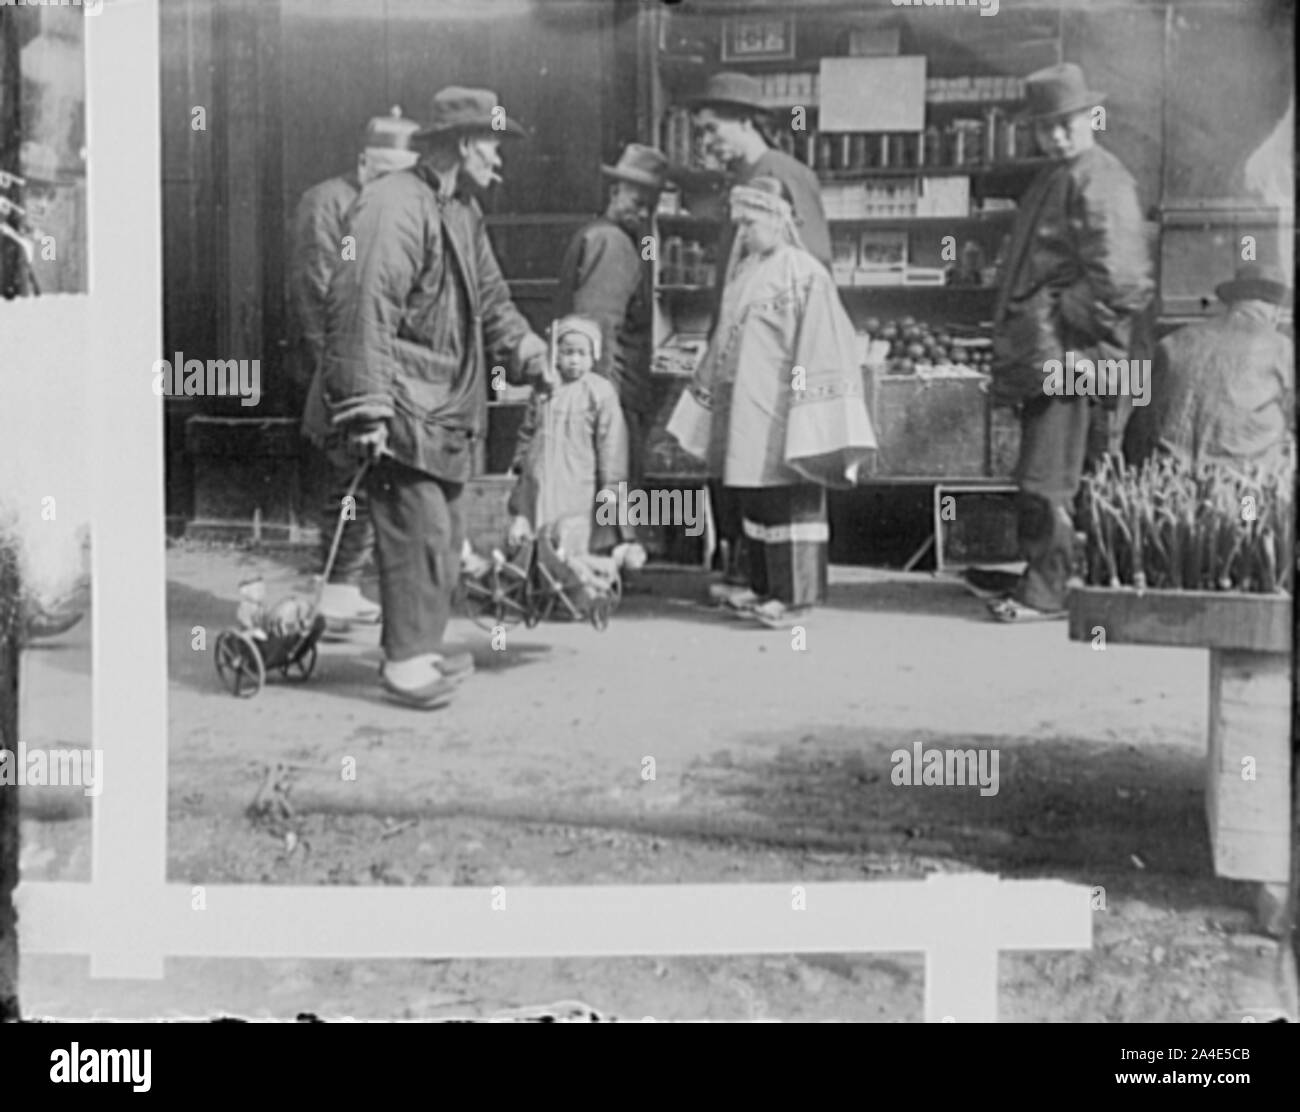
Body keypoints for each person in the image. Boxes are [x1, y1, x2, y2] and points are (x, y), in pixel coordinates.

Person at [321, 87, 553, 710]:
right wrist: (368, 407)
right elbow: (363, 302)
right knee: (417, 531)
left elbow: (493, 298)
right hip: (398, 400)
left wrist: (529, 351)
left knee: (444, 534)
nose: (500, 161)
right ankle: (403, 664)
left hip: (442, 404)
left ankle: (417, 647)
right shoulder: (393, 205)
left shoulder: (459, 211)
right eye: (494, 146)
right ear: (466, 143)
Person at [979, 63, 1153, 622]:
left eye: (1066, 123)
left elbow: (1123, 281)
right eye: (1044, 126)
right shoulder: (1062, 174)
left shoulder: (1098, 176)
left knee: (1046, 476)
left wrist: (1068, 329)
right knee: (1055, 473)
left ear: (1090, 118)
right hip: (1055, 351)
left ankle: (1046, 594)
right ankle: (1054, 578)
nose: (1055, 135)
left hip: (1073, 356)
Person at [666, 176, 876, 629]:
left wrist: (806, 404)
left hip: (784, 404)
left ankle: (795, 597)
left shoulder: (805, 273)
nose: (743, 232)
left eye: (750, 221)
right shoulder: (746, 271)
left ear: (779, 220)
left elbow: (822, 342)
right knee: (754, 496)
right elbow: (724, 337)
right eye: (737, 223)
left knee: (789, 497)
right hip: (746, 403)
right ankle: (762, 585)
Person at [686, 72, 833, 597]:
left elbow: (811, 270)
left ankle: (788, 590)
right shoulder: (746, 175)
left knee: (779, 473)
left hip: (776, 357)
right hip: (744, 354)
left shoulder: (781, 172)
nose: (705, 141)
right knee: (748, 468)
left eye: (711, 129)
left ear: (746, 122)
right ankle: (753, 576)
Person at [291, 108, 421, 630]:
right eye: (383, 170)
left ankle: (345, 583)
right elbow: (316, 290)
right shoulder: (326, 204)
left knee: (373, 479)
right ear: (363, 160)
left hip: (385, 366)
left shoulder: (401, 206)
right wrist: (342, 374)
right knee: (347, 479)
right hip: (342, 366)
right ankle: (335, 586)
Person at [552, 144, 667, 491]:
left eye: (650, 205)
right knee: (611, 514)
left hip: (603, 402)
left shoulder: (598, 235)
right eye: (636, 201)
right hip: (612, 406)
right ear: (615, 192)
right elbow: (595, 334)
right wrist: (602, 416)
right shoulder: (613, 244)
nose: (642, 212)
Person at [1125, 264, 1293, 471]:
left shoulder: (1173, 341)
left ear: (1233, 302)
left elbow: (1139, 422)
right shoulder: (1281, 347)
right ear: (1275, 311)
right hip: (1241, 474)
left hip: (1169, 470)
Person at [506, 315, 631, 559]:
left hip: (578, 484)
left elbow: (612, 443)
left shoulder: (599, 392)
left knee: (570, 542)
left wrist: (611, 486)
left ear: (593, 354)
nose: (574, 360)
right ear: (556, 354)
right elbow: (527, 431)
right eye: (567, 352)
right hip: (539, 483)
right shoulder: (545, 389)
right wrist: (519, 464)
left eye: (581, 353)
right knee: (534, 540)